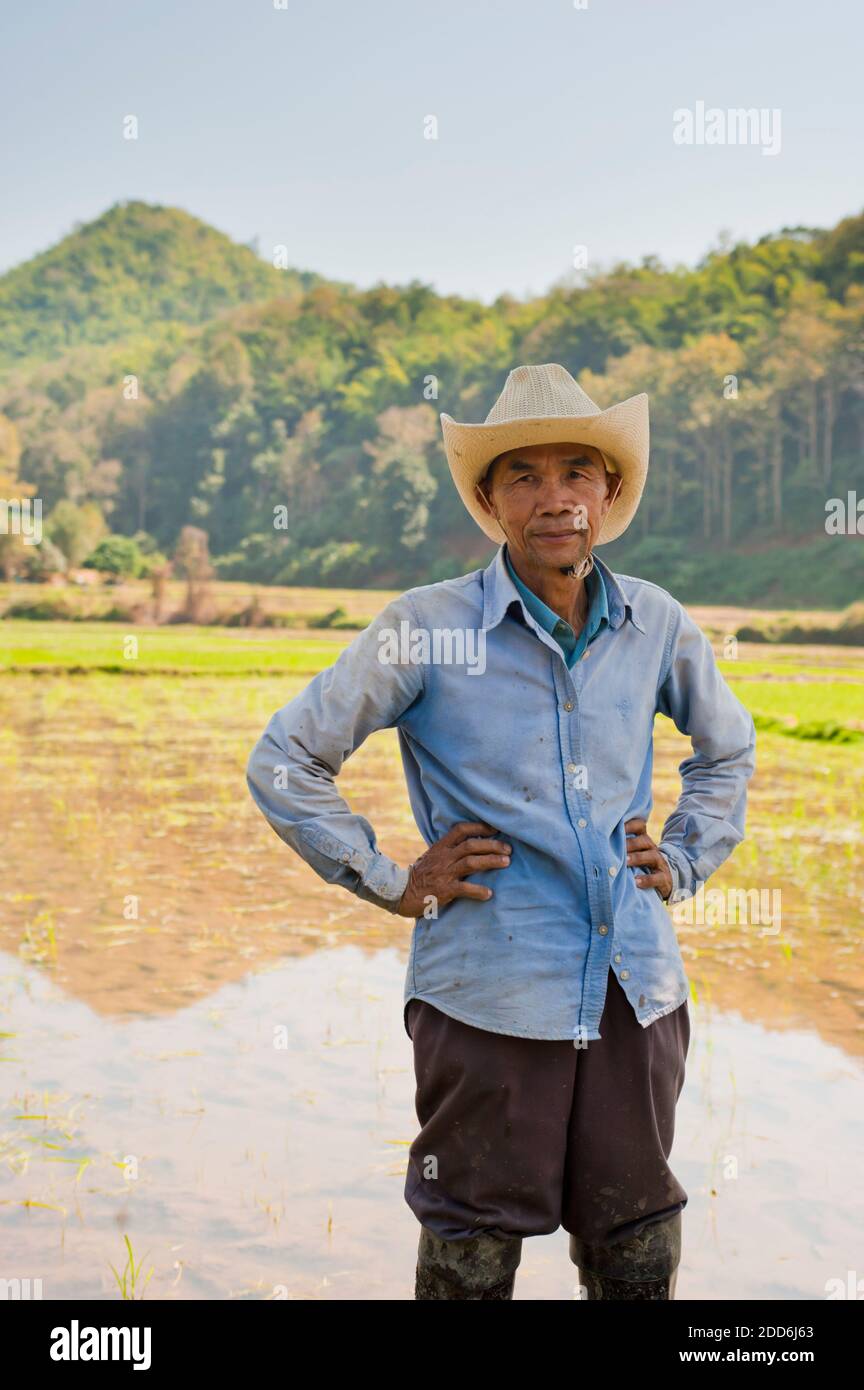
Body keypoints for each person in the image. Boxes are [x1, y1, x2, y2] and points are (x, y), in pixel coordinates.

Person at [246, 362, 757, 1299]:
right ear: (490, 499)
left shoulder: (658, 625)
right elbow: (285, 759)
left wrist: (683, 857)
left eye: (575, 472)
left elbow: (727, 752)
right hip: (485, 997)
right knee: (470, 1238)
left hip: (631, 993)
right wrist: (392, 879)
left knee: (636, 1233)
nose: (553, 498)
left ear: (610, 490)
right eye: (523, 475)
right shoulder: (426, 628)